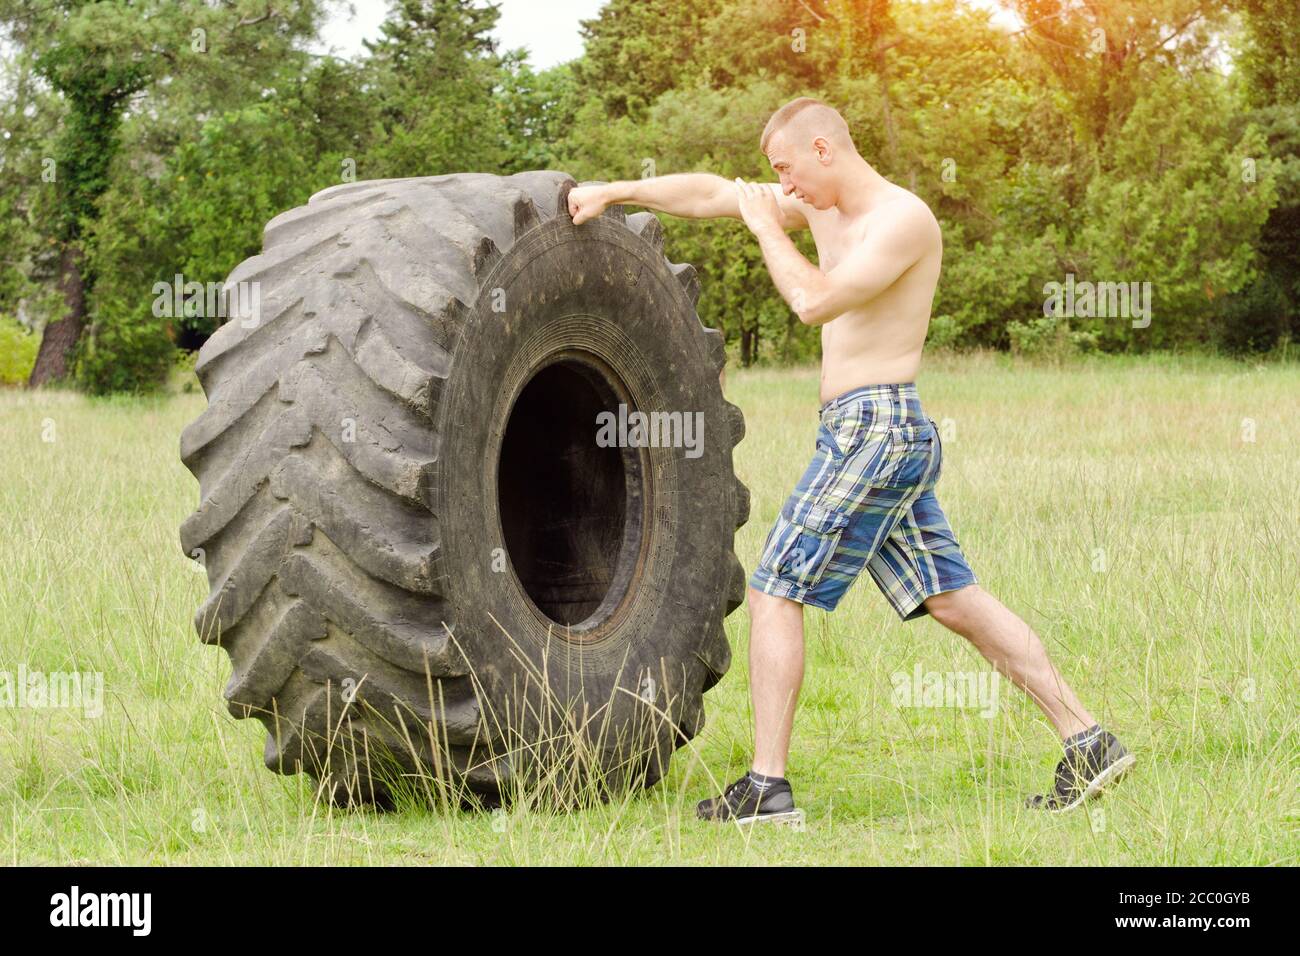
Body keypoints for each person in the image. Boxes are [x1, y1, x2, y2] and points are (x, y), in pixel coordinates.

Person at [566, 96, 1134, 826]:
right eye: (779, 178)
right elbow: (716, 193)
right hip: (857, 430)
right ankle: (1088, 741)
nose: (785, 186)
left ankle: (767, 789)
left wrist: (770, 227)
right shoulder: (823, 207)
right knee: (952, 598)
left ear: (825, 149)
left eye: (788, 170)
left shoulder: (902, 220)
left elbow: (814, 301)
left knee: (775, 587)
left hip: (879, 429)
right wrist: (617, 192)